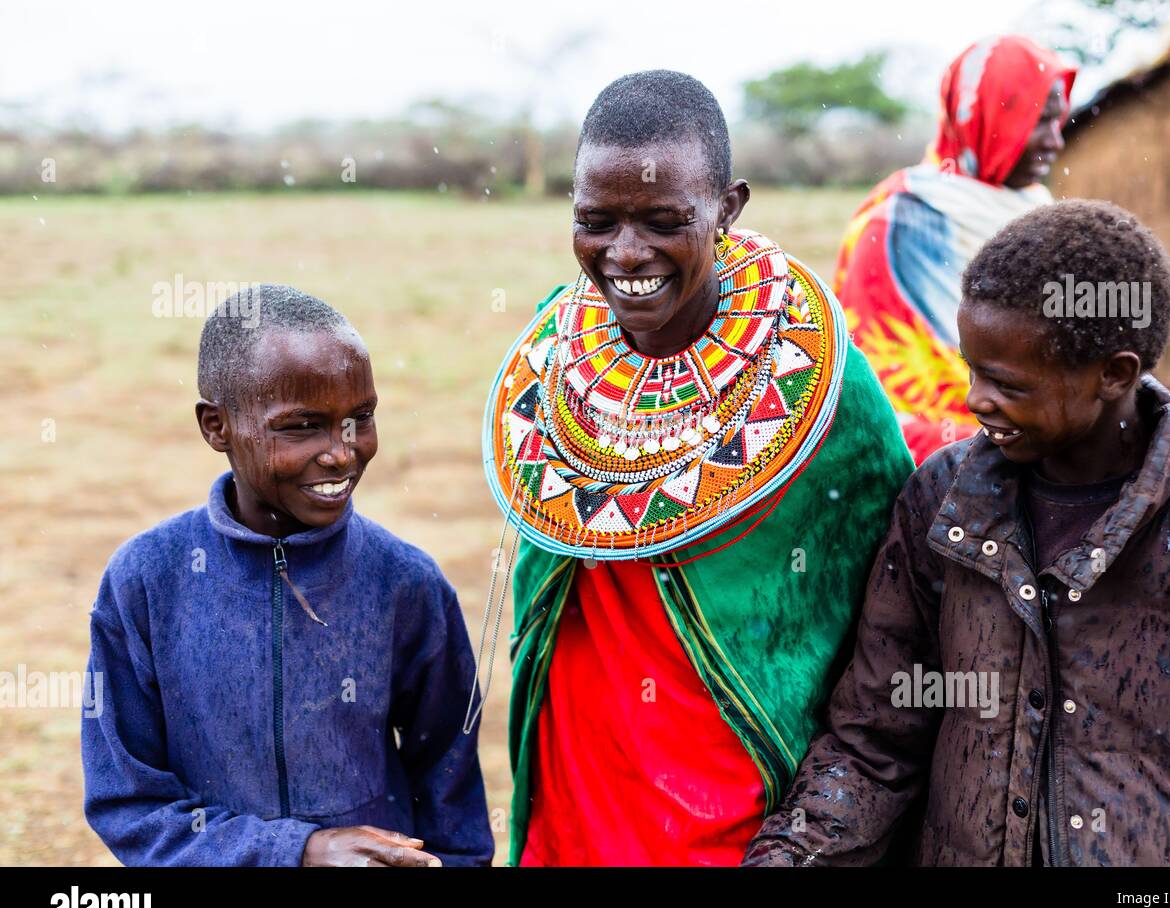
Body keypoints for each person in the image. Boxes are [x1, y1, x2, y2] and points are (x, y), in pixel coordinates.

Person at [744, 200, 1170, 866]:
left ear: (1115, 374)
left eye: (1005, 383)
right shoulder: (941, 502)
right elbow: (874, 742)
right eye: (971, 369)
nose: (974, 399)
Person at [481, 71, 914, 865]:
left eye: (663, 222)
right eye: (595, 222)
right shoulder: (554, 358)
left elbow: (893, 612)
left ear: (729, 207)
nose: (626, 254)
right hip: (574, 792)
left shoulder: (821, 383)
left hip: (745, 811)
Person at [82, 285, 494, 866]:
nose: (341, 454)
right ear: (216, 427)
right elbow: (128, 804)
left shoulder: (405, 582)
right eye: (302, 427)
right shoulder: (147, 582)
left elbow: (450, 787)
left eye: (360, 419)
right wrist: (295, 852)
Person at [835, 35, 1075, 464]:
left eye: (1059, 122)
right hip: (923, 462)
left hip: (1037, 443)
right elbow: (873, 386)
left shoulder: (1039, 212)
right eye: (1041, 121)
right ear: (990, 120)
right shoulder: (896, 224)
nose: (1056, 142)